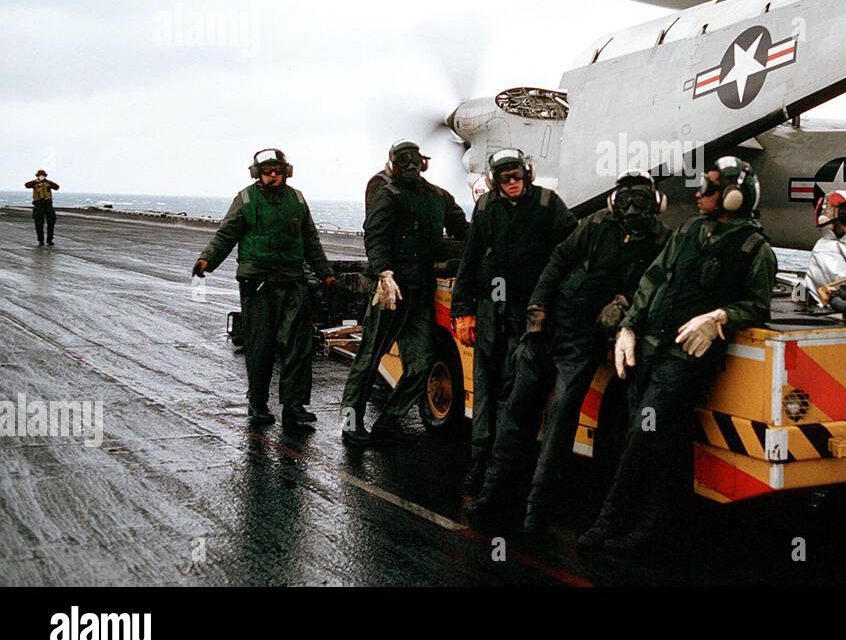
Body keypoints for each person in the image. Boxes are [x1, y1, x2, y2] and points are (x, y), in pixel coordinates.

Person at [579, 157, 776, 553]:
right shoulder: (688, 230)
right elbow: (654, 278)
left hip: (685, 357)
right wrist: (630, 327)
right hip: (650, 347)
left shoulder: (755, 248)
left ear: (735, 197)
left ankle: (610, 521)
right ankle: (657, 526)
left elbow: (758, 305)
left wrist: (721, 317)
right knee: (663, 440)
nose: (699, 193)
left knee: (642, 434)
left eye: (710, 188)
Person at [466, 170, 670, 533]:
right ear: (614, 203)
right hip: (549, 327)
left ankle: (536, 511)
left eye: (641, 201)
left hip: (583, 341)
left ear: (655, 205)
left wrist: (623, 303)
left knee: (561, 420)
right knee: (516, 412)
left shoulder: (661, 242)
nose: (634, 209)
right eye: (628, 201)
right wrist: (538, 310)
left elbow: (653, 285)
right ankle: (491, 497)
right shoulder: (594, 227)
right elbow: (558, 261)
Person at [450, 148, 576, 491]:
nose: (511, 182)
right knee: (486, 389)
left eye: (516, 176)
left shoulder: (550, 205)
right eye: (504, 178)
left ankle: (504, 467)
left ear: (527, 173)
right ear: (495, 180)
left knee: (516, 390)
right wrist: (462, 311)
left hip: (528, 314)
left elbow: (571, 259)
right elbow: (470, 259)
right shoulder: (486, 207)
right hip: (491, 311)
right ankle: (480, 461)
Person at [192, 149, 335, 426]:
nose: (273, 175)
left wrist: (325, 273)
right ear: (257, 173)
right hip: (258, 282)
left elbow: (311, 240)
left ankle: (293, 407)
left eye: (278, 170)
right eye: (268, 170)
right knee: (261, 346)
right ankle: (257, 404)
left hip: (292, 280)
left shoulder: (297, 199)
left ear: (286, 171)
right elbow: (227, 233)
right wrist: (207, 259)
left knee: (297, 346)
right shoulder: (246, 198)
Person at [340, 140, 470, 446]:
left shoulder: (437, 197)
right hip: (390, 290)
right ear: (393, 164)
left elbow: (464, 230)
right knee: (369, 358)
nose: (411, 167)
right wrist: (383, 273)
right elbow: (376, 235)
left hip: (420, 290)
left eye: (415, 161)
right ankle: (350, 423)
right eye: (404, 161)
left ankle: (390, 420)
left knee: (422, 362)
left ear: (424, 163)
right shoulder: (387, 194)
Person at [25, 170, 60, 246]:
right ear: (37, 176)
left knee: (51, 221)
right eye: (40, 175)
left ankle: (49, 240)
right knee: (39, 223)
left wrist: (48, 182)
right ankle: (41, 240)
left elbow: (57, 187)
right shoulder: (34, 183)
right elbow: (27, 185)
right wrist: (36, 181)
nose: (41, 176)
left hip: (48, 204)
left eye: (43, 175)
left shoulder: (48, 182)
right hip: (38, 204)